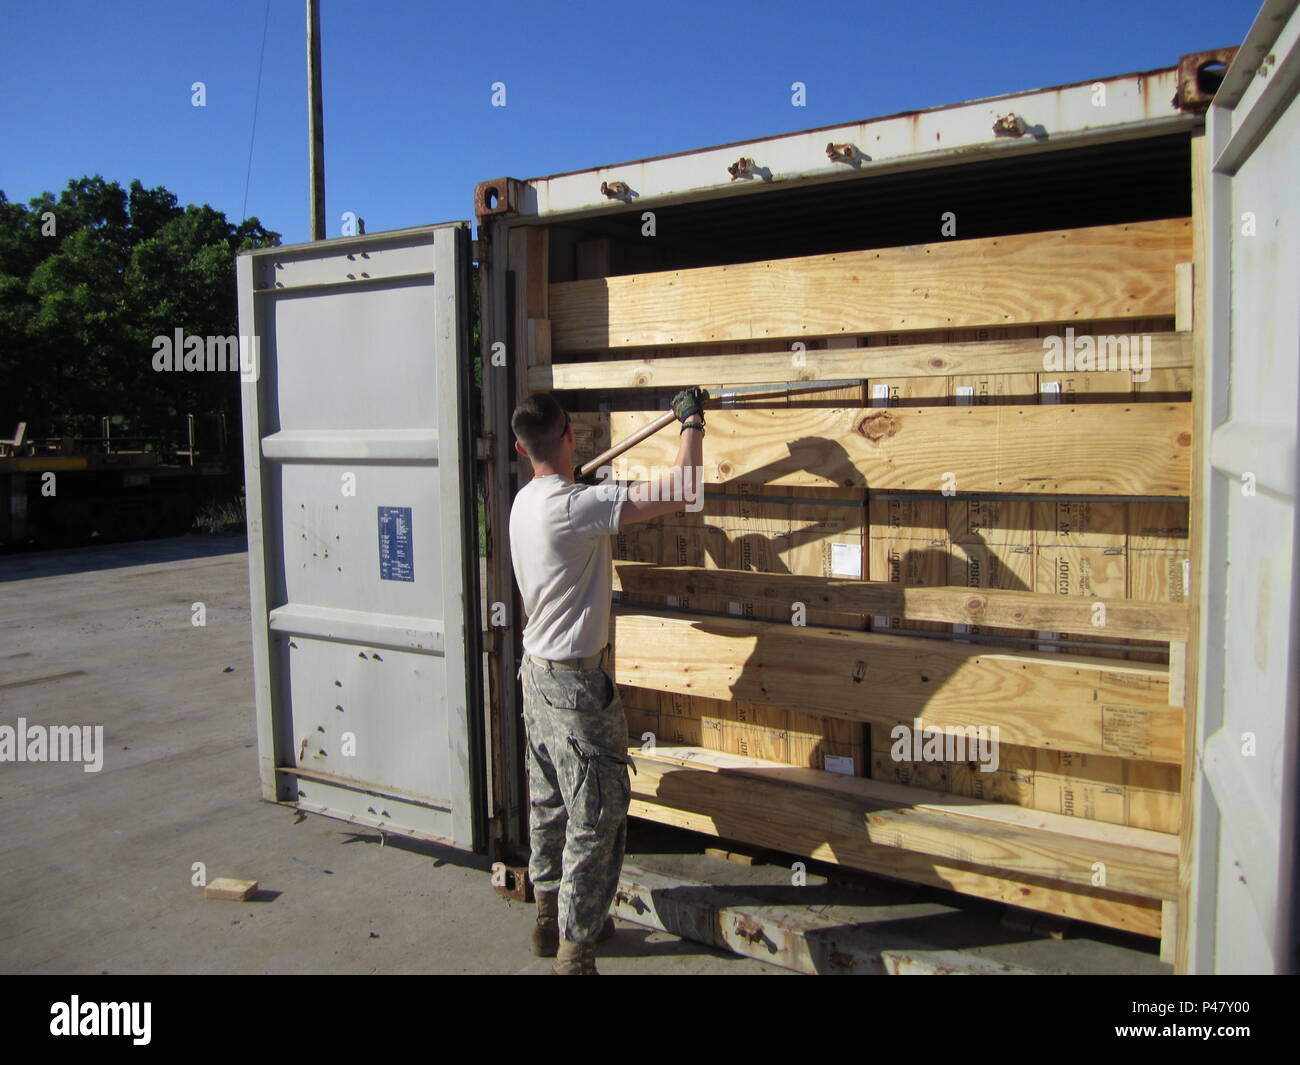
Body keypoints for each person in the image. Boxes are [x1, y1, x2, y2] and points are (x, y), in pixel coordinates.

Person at [508, 387, 706, 975]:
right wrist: (691, 423)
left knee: (548, 803)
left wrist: (597, 491)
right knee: (596, 813)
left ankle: (549, 918)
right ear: (571, 436)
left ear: (522, 449)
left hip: (535, 678)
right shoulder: (576, 506)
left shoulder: (525, 503)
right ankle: (576, 949)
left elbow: (585, 503)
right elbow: (682, 489)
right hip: (574, 691)